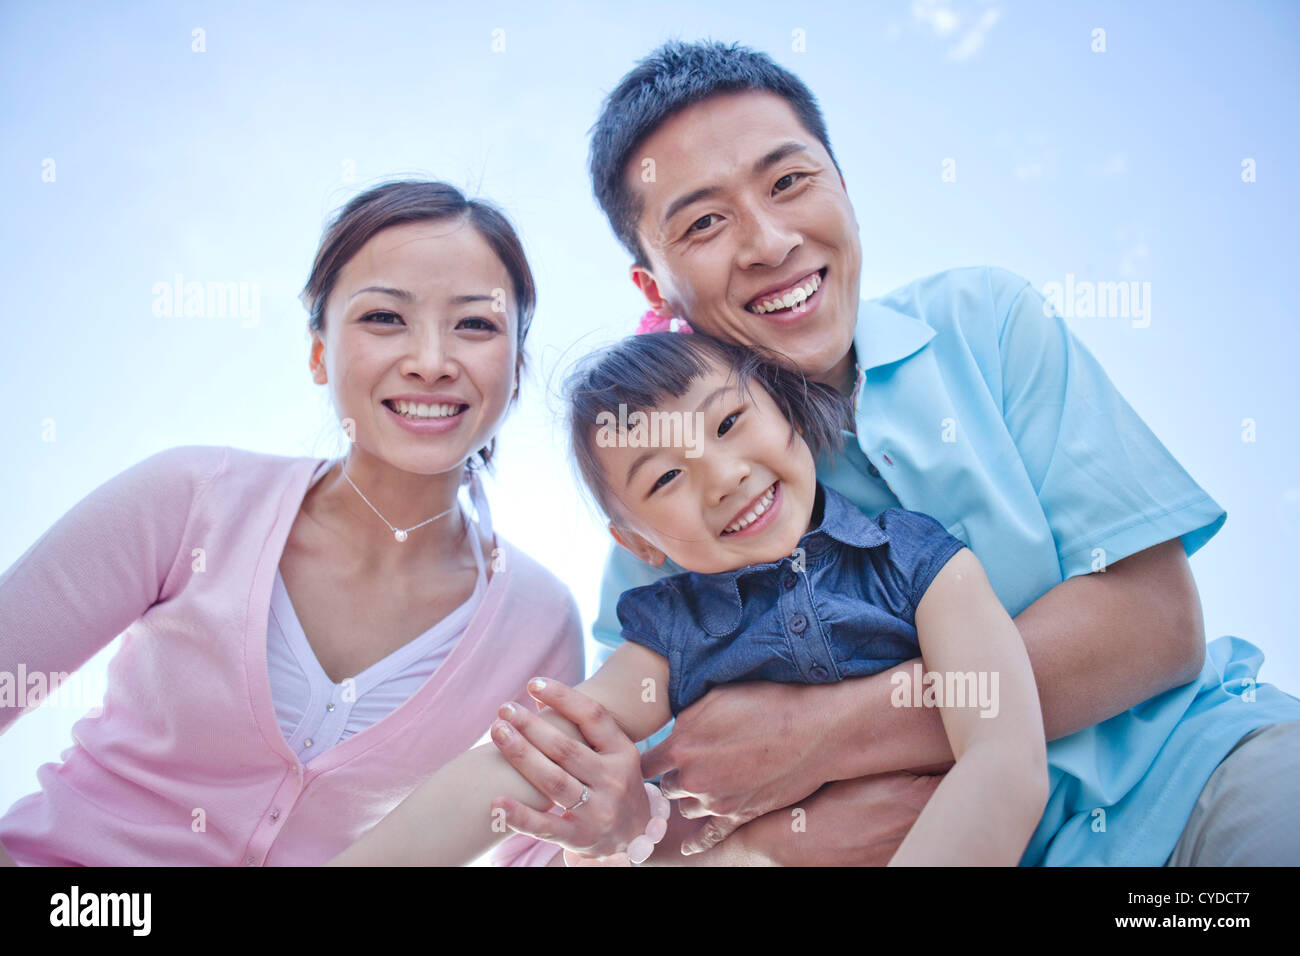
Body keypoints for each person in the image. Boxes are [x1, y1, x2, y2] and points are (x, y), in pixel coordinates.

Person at [492, 40, 1300, 866]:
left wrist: (830, 736)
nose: (769, 242)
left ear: (842, 186)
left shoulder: (983, 322)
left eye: (789, 182)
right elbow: (663, 809)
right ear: (654, 287)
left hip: (1197, 783)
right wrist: (760, 838)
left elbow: (1152, 624)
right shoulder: (658, 539)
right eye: (703, 222)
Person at [0, 180, 603, 867]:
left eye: (475, 325)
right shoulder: (194, 499)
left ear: (517, 370)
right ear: (319, 352)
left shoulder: (538, 622)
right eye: (383, 318)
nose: (432, 362)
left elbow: (541, 849)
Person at [325, 331, 1048, 866]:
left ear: (789, 409)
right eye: (665, 479)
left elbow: (1004, 759)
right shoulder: (673, 637)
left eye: (729, 424)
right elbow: (528, 760)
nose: (724, 477)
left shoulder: (916, 562)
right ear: (638, 543)